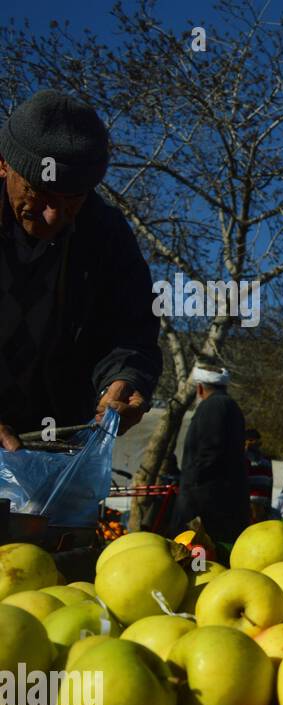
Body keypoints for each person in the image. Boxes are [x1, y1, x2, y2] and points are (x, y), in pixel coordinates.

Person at [0, 90, 161, 450]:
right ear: (2, 164)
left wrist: (123, 380)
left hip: (48, 445)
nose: (54, 216)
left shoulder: (104, 234)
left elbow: (133, 330)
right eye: (40, 194)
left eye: (72, 200)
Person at [171, 362, 250, 544]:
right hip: (224, 498)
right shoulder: (230, 406)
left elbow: (210, 451)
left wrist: (192, 482)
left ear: (200, 389)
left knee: (198, 552)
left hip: (207, 501)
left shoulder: (212, 406)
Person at [245, 429, 272, 522]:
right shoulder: (243, 457)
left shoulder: (266, 461)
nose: (255, 444)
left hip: (262, 504)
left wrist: (268, 506)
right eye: (251, 440)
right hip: (249, 504)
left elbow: (269, 484)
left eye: (257, 441)